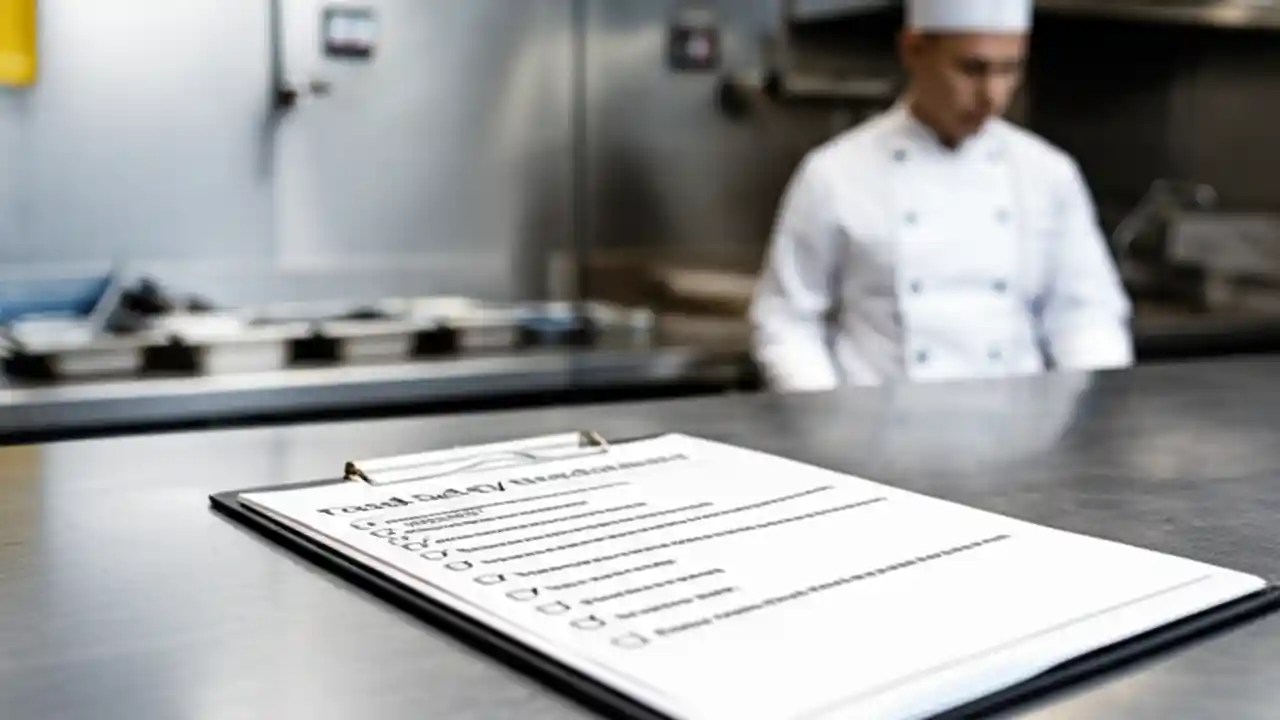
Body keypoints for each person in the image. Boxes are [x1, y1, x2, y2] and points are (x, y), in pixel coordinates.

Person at [750, 0, 1134, 392]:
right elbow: (786, 320)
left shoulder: (1049, 174)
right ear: (913, 50)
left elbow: (1087, 317)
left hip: (1021, 436)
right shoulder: (834, 174)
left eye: (1010, 69)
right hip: (875, 440)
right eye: (972, 68)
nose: (993, 95)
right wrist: (827, 421)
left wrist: (1089, 417)